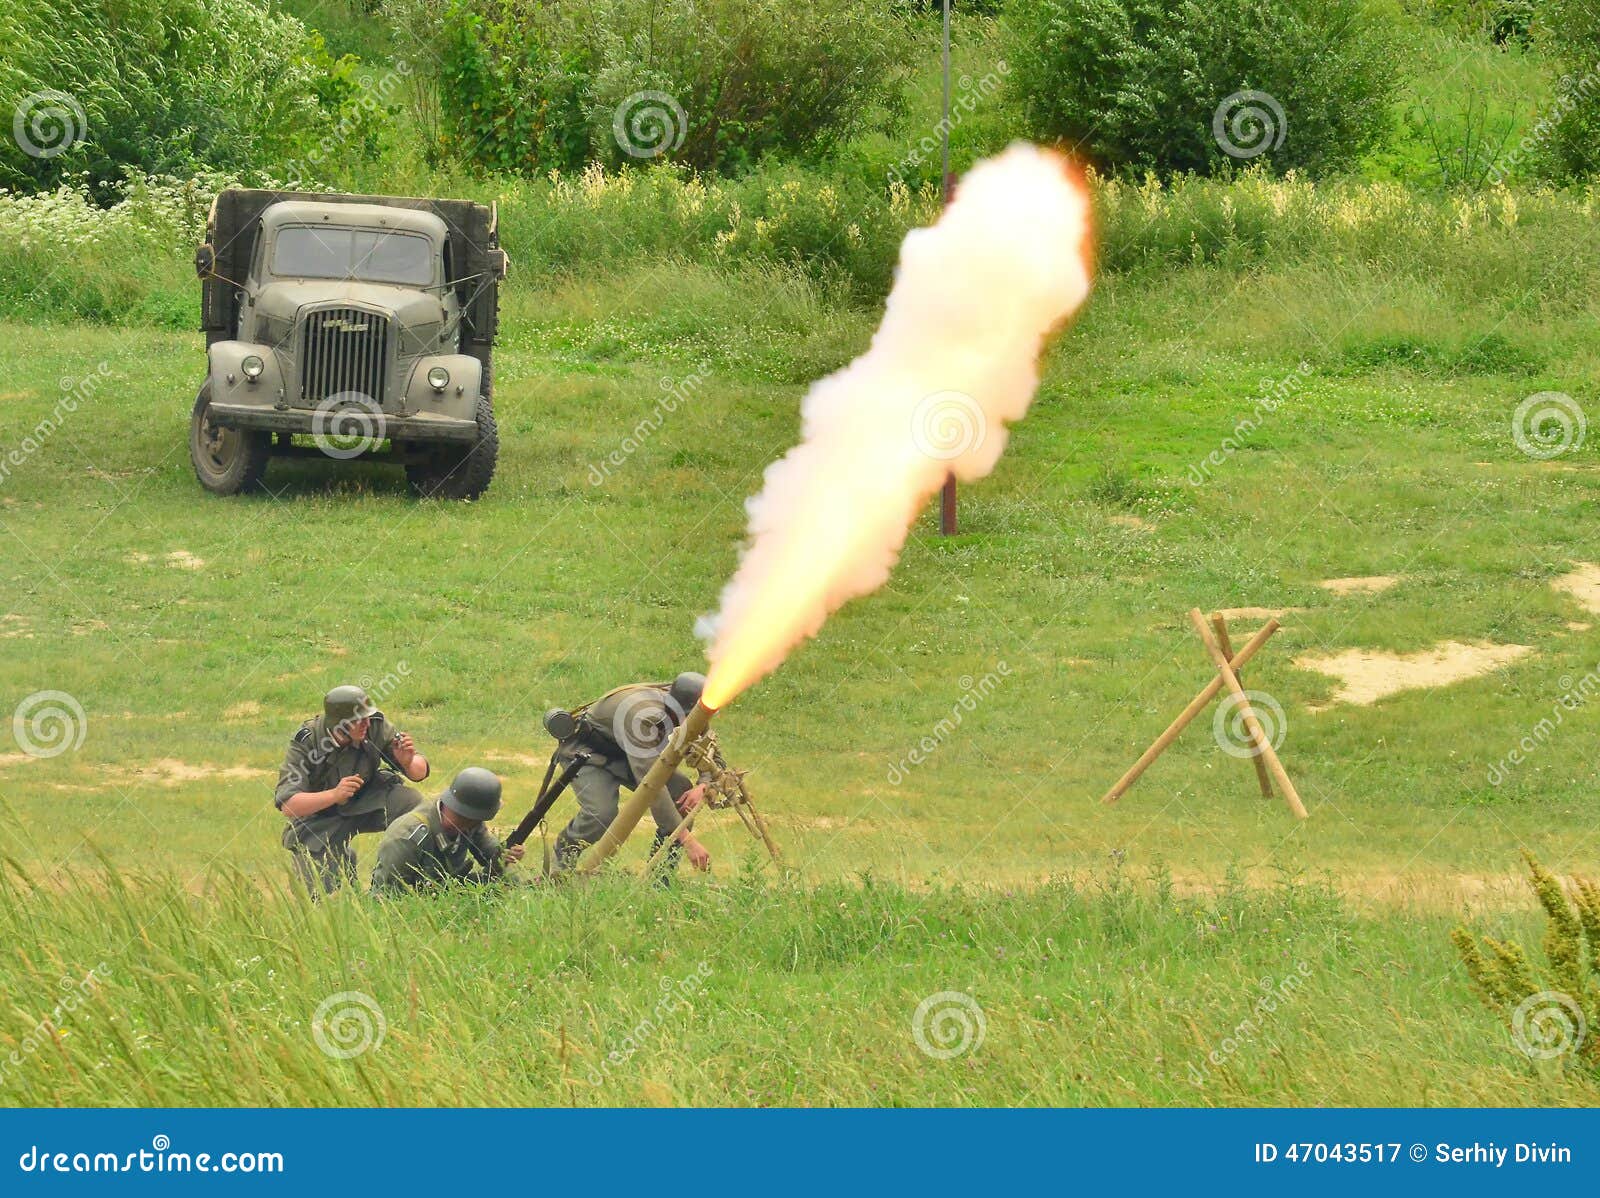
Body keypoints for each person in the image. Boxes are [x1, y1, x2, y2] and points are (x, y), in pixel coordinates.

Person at [550, 672, 712, 877]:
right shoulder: (640, 714)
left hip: (627, 754)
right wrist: (688, 841)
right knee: (600, 814)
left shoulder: (690, 709)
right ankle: (560, 866)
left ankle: (661, 876)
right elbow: (652, 787)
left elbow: (711, 752)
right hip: (588, 753)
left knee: (680, 791)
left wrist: (704, 784)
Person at [274, 684, 430, 896]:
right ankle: (342, 866)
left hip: (367, 800)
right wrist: (334, 795)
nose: (366, 723)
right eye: (358, 720)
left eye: (367, 717)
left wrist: (408, 761)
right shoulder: (307, 742)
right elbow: (289, 805)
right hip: (320, 817)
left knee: (415, 807)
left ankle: (411, 880)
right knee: (324, 897)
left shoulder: (374, 725)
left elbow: (419, 773)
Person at [371, 767, 524, 894]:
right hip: (417, 908)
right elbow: (385, 896)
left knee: (507, 883)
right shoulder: (406, 837)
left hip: (447, 893)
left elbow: (491, 855)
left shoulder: (469, 823)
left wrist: (506, 854)